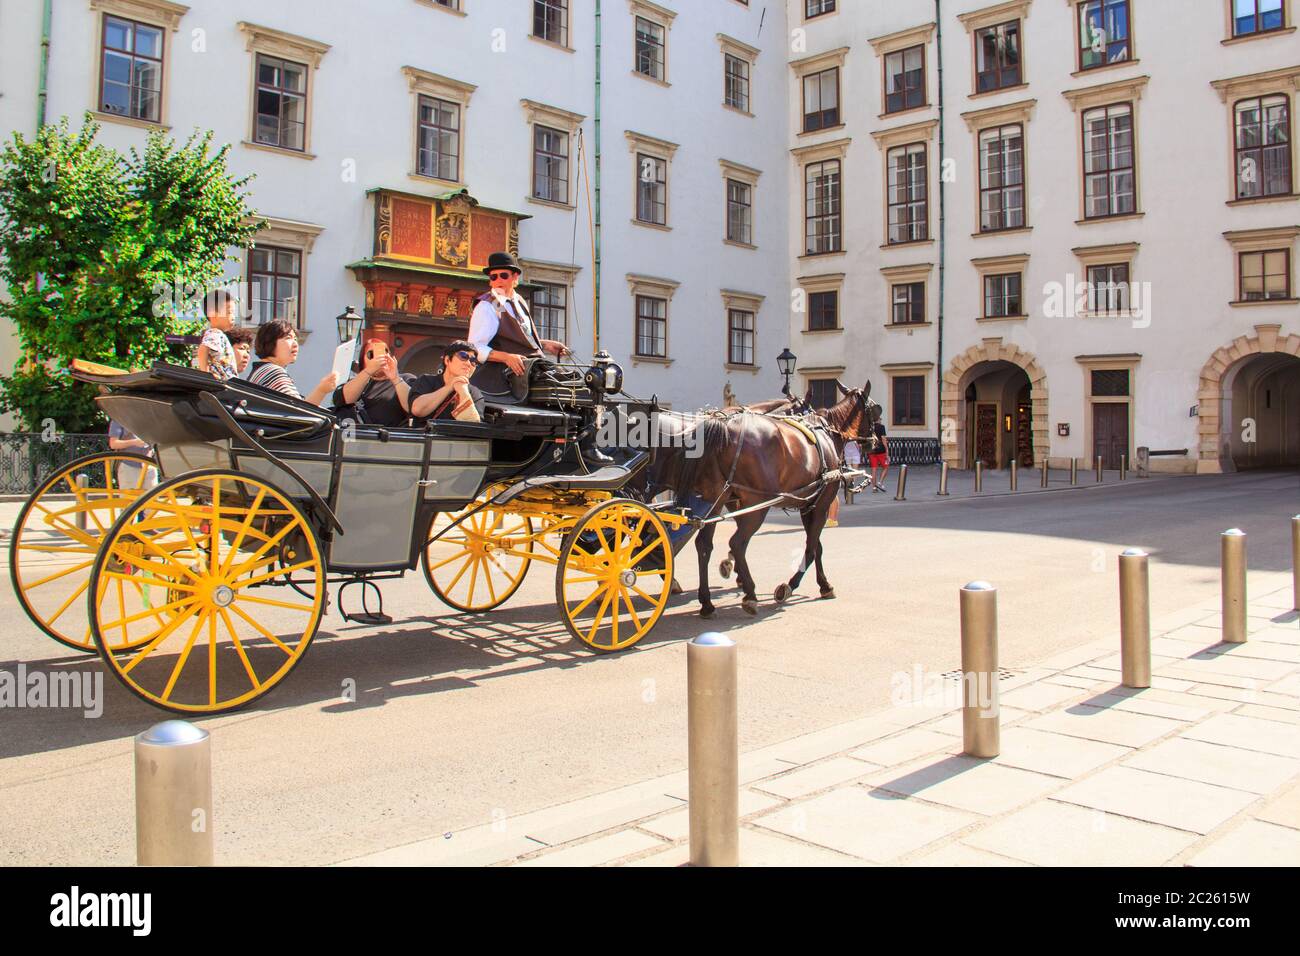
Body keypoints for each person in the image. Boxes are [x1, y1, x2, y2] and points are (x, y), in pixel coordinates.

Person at [467, 251, 569, 395]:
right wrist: (507, 357)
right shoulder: (487, 305)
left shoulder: (518, 301)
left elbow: (513, 337)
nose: (498, 281)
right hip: (507, 376)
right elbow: (475, 347)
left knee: (570, 384)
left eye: (503, 275)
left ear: (515, 277)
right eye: (493, 277)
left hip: (532, 368)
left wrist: (544, 344)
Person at [247, 318, 337, 406]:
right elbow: (299, 413)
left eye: (295, 339)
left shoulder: (262, 369)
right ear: (269, 341)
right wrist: (321, 390)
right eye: (288, 338)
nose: (295, 344)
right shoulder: (273, 371)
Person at [333, 338, 416, 426]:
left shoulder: (405, 379)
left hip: (388, 436)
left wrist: (395, 378)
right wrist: (368, 371)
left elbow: (414, 406)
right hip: (355, 436)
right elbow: (344, 399)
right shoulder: (356, 382)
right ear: (363, 361)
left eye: (385, 352)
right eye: (371, 354)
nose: (378, 357)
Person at [400, 340, 485, 424]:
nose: (468, 364)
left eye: (473, 361)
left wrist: (463, 391)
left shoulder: (475, 393)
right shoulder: (426, 380)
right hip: (420, 435)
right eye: (463, 356)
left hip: (452, 437)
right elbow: (417, 410)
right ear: (447, 360)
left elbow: (475, 425)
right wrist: (449, 387)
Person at [194, 289, 238, 381]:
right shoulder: (214, 333)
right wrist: (205, 376)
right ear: (212, 313)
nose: (233, 317)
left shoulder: (218, 334)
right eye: (229, 312)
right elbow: (202, 350)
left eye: (234, 313)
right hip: (220, 383)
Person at [108, 419, 158, 489]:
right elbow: (113, 444)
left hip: (149, 465)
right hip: (129, 466)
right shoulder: (119, 419)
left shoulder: (150, 418)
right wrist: (134, 442)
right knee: (129, 498)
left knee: (152, 498)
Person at [868, 418, 889, 492]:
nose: (881, 420)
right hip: (881, 450)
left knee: (873, 469)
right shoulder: (881, 427)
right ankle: (880, 482)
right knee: (886, 466)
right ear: (878, 419)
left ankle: (874, 488)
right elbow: (883, 439)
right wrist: (887, 450)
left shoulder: (869, 428)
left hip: (871, 450)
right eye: (880, 419)